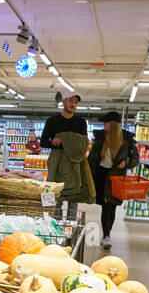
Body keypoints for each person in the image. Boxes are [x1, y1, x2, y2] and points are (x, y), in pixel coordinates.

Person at [87, 110, 140, 249]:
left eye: (106, 122)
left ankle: (107, 234)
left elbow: (135, 159)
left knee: (112, 207)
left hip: (116, 177)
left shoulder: (126, 140)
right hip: (101, 175)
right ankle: (106, 236)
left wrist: (126, 163)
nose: (104, 124)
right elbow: (92, 156)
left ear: (113, 124)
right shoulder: (100, 138)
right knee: (106, 207)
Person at [40, 89, 89, 219]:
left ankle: (71, 230)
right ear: (63, 102)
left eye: (76, 102)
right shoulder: (52, 121)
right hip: (56, 165)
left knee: (73, 200)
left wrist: (63, 139)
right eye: (71, 101)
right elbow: (43, 142)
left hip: (74, 164)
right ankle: (56, 229)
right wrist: (62, 144)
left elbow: (84, 143)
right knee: (56, 198)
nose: (73, 104)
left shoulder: (81, 122)